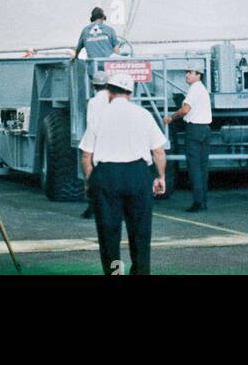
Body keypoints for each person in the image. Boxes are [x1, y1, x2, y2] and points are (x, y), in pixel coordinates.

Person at [79, 69, 167, 276]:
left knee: (109, 233)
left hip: (107, 176)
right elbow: (158, 151)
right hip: (137, 174)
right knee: (140, 232)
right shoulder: (143, 114)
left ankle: (115, 273)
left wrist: (89, 181)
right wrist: (160, 176)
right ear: (130, 93)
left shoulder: (99, 116)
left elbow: (86, 155)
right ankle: (140, 272)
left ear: (109, 92)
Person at [165, 64, 212, 212]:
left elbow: (185, 110)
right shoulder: (202, 89)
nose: (187, 75)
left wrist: (171, 118)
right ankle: (202, 201)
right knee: (203, 167)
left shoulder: (194, 89)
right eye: (186, 72)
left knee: (194, 167)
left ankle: (198, 202)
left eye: (190, 72)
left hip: (195, 129)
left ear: (198, 75)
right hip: (205, 129)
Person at [81, 75, 112, 219]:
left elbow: (91, 122)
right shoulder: (112, 100)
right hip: (113, 138)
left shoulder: (92, 102)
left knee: (93, 172)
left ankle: (93, 207)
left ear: (94, 86)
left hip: (97, 139)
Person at [73, 7, 119, 73]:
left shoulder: (85, 31)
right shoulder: (109, 30)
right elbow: (116, 49)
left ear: (92, 19)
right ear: (103, 18)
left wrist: (75, 58)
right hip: (108, 67)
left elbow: (78, 49)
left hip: (93, 67)